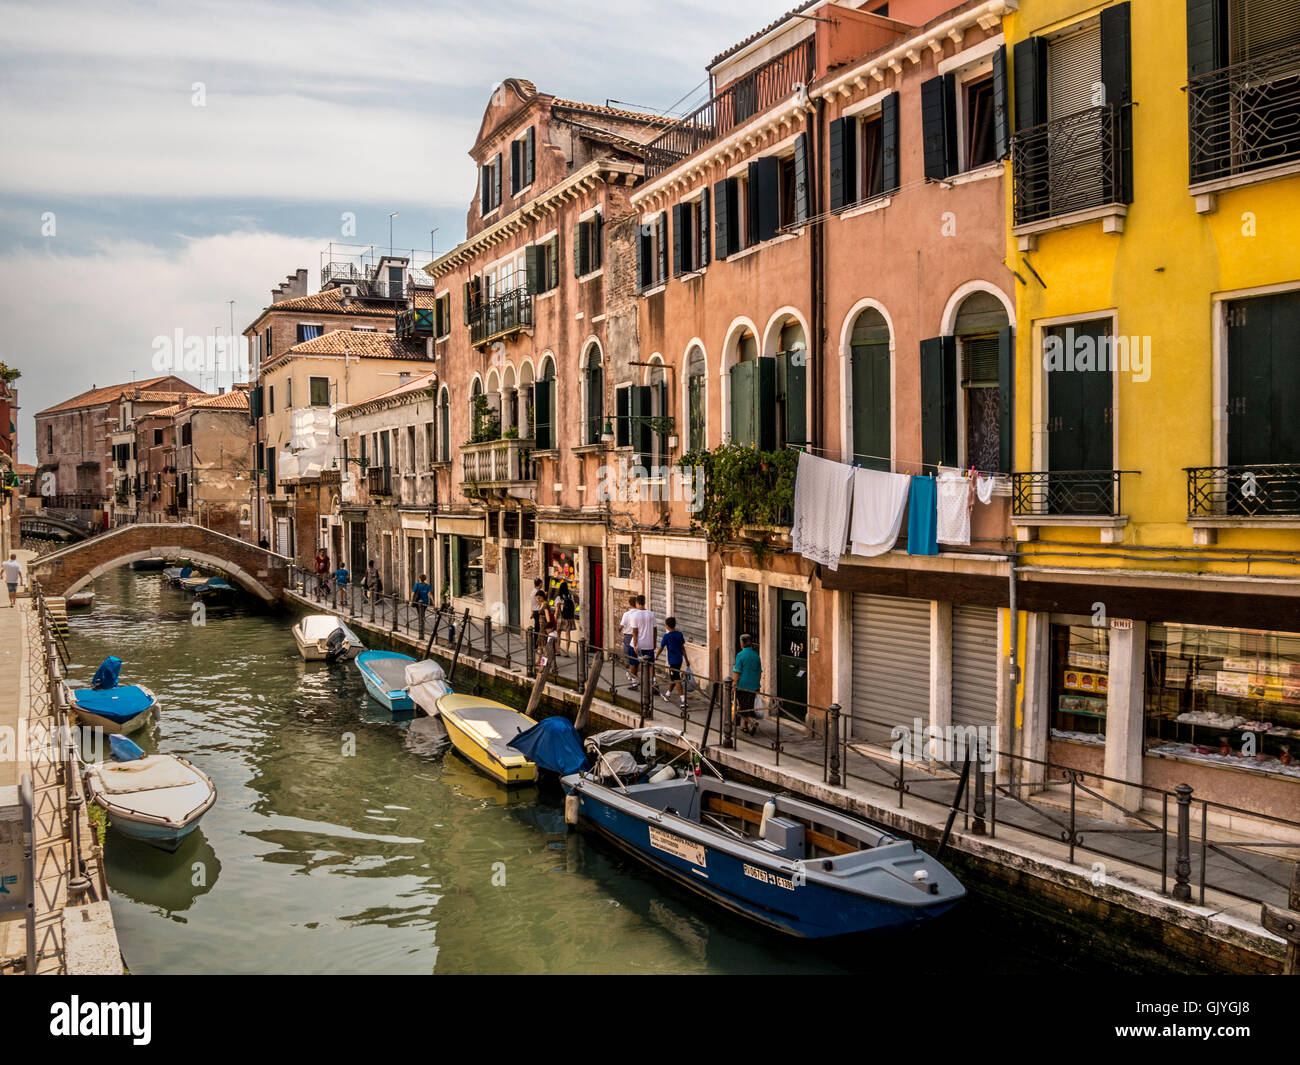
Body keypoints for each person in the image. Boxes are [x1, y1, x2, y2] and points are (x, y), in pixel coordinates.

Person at [732, 633, 763, 735]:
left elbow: (737, 672)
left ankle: (752, 722)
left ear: (742, 643)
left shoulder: (740, 655)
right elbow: (759, 673)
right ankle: (744, 726)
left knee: (743, 707)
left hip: (742, 685)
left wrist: (734, 684)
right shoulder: (756, 655)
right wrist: (757, 684)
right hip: (754, 685)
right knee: (749, 706)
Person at [657, 616, 690, 709]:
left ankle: (683, 700)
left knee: (676, 679)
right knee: (673, 677)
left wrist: (656, 656)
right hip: (679, 660)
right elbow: (683, 648)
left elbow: (661, 647)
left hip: (673, 661)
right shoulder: (679, 634)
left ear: (667, 626)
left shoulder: (666, 636)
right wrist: (687, 660)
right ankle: (667, 695)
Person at [618, 594, 640, 687]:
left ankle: (632, 676)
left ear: (629, 604)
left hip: (628, 636)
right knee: (636, 657)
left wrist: (619, 629)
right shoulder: (639, 613)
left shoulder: (626, 614)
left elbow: (621, 625)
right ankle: (634, 675)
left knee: (630, 657)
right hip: (638, 636)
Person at [554, 580, 576, 656]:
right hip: (568, 618)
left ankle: (558, 650)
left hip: (560, 618)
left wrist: (554, 619)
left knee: (558, 634)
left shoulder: (558, 598)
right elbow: (574, 607)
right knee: (567, 634)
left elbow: (556, 611)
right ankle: (567, 651)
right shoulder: (570, 596)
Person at [534, 590, 556, 664]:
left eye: (539, 598)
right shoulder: (542, 603)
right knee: (540, 644)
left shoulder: (545, 604)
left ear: (542, 597)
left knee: (543, 645)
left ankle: (543, 662)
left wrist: (548, 626)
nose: (538, 600)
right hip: (542, 626)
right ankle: (539, 660)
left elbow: (547, 616)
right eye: (537, 598)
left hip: (544, 627)